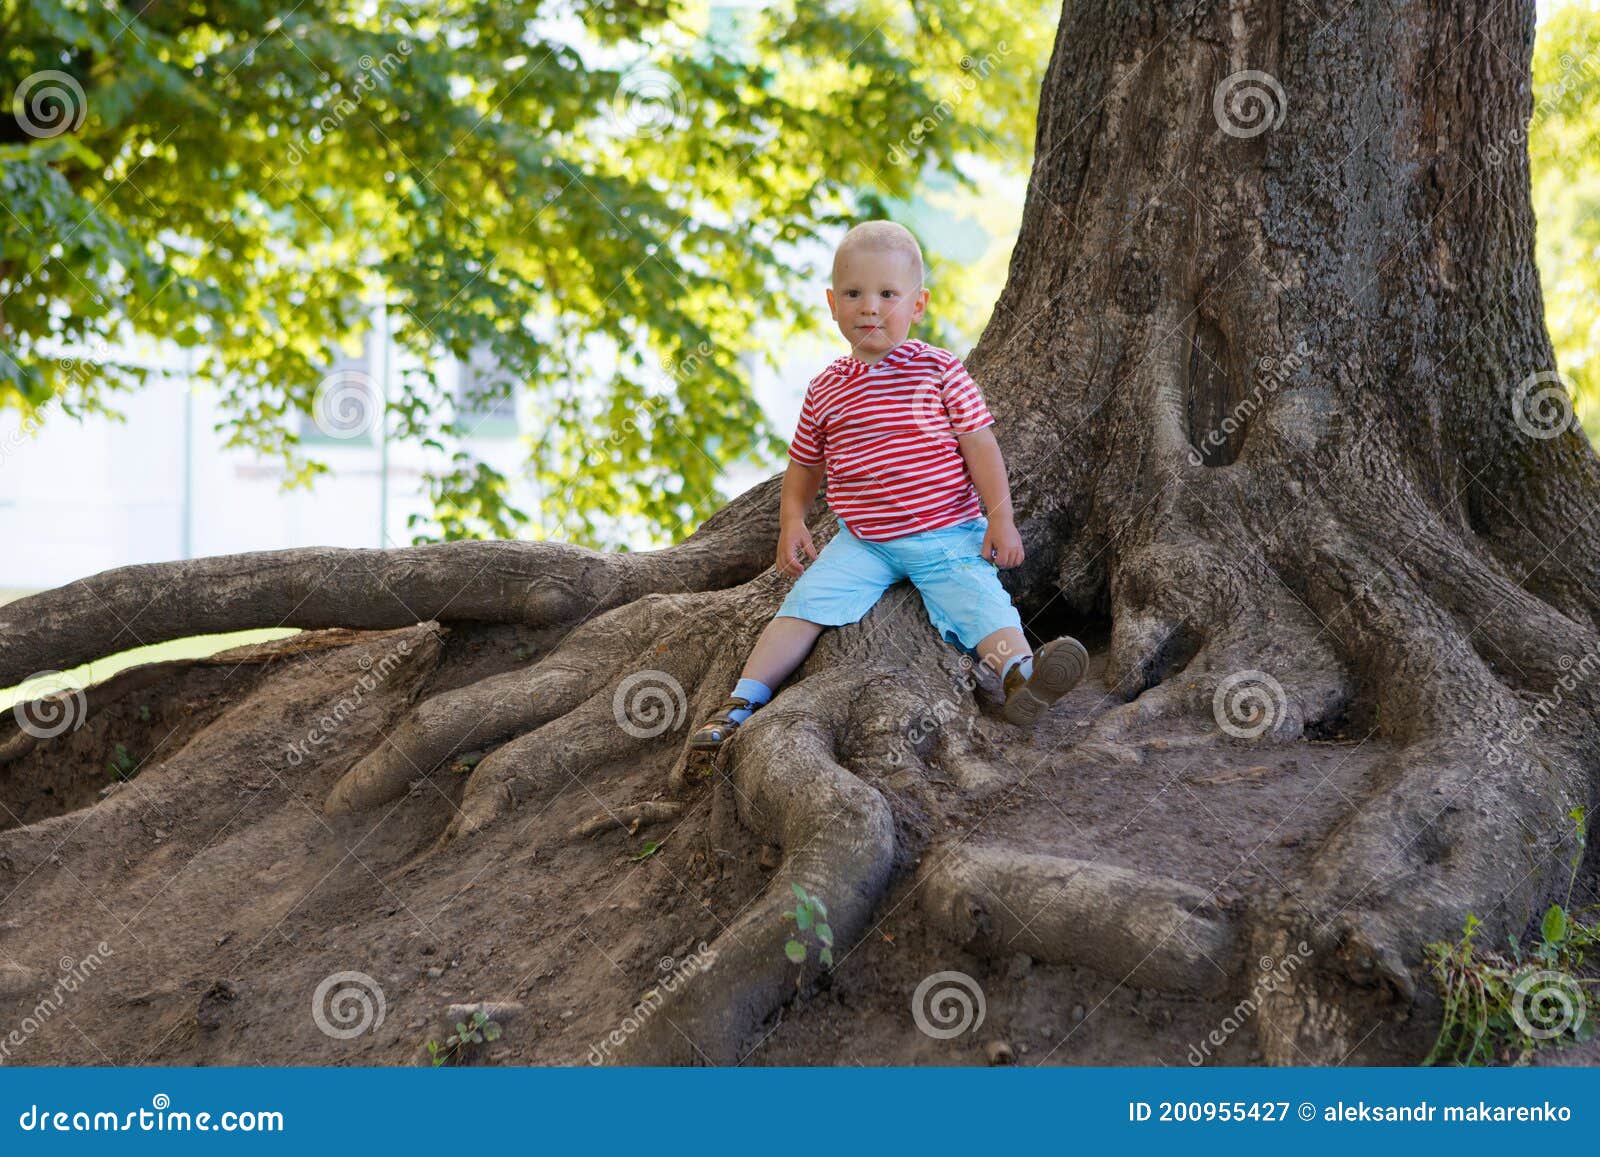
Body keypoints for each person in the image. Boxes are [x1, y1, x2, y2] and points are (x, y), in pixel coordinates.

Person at [690, 221, 1087, 751]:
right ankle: (742, 701)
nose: (869, 307)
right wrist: (792, 520)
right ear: (833, 303)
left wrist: (1000, 516)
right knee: (803, 605)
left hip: (945, 532)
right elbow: (805, 465)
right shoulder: (826, 388)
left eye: (887, 294)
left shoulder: (939, 369)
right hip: (864, 542)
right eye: (853, 294)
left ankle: (1021, 676)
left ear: (917, 305)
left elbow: (980, 445)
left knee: (978, 600)